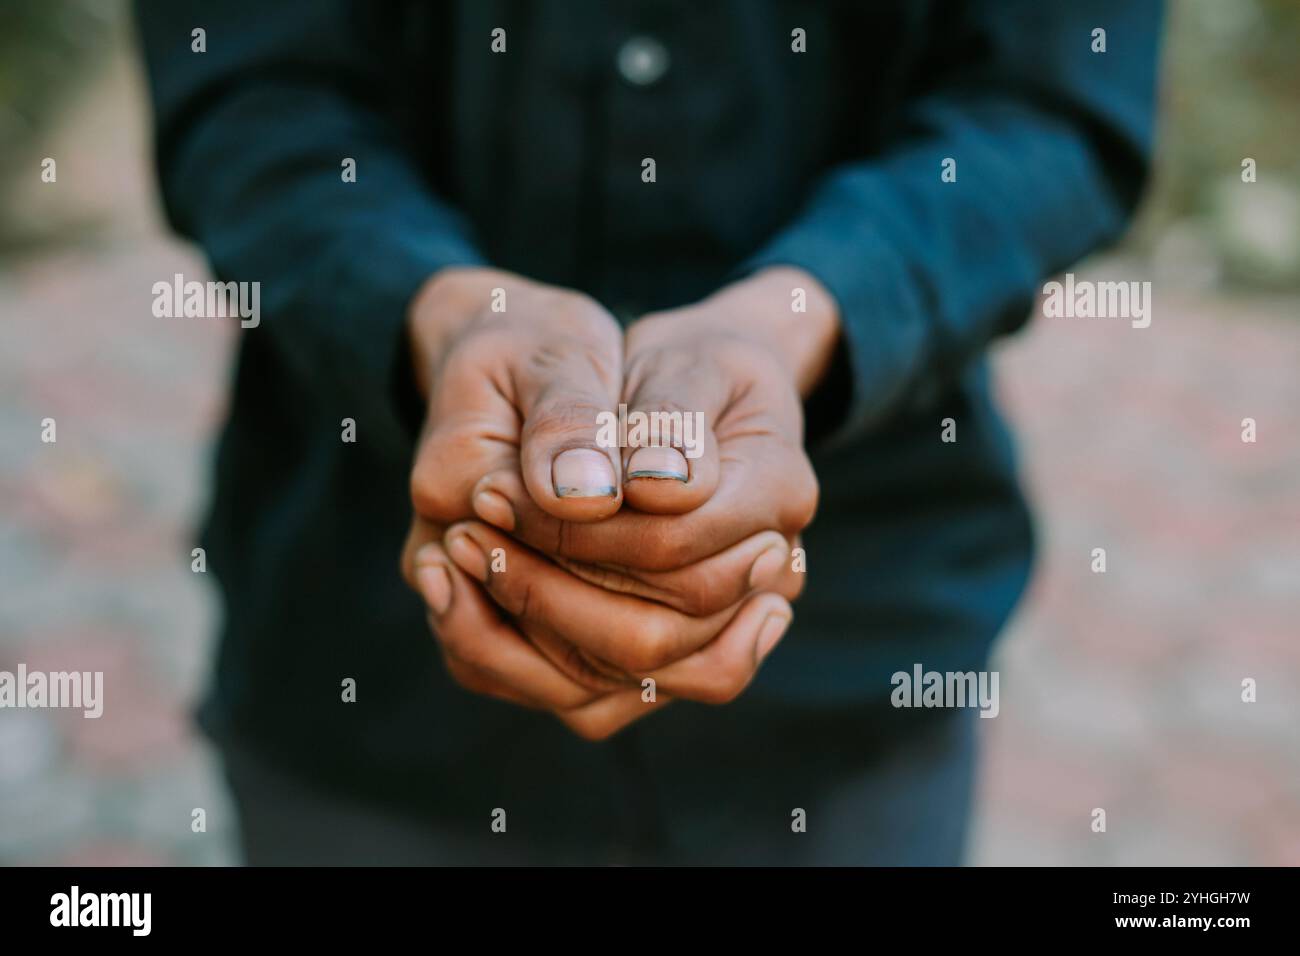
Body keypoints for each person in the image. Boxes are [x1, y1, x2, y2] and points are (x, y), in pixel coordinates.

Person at [136, 0, 1161, 864]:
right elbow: (247, 86)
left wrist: (805, 312)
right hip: (362, 690)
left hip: (855, 681)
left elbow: (1051, 100)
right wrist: (430, 312)